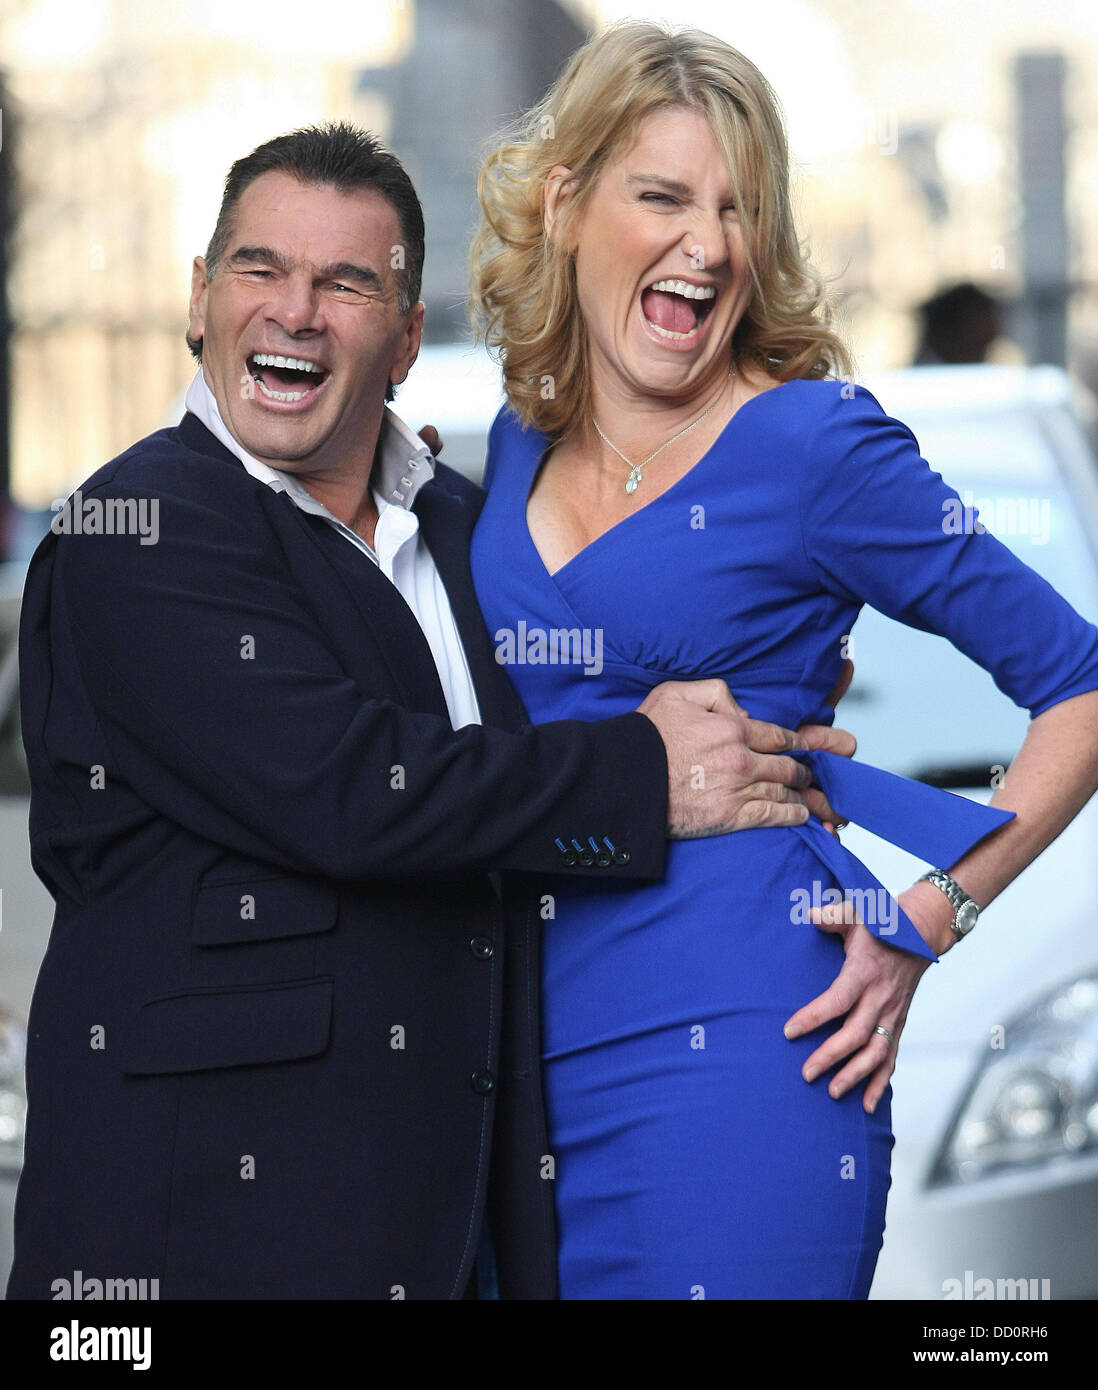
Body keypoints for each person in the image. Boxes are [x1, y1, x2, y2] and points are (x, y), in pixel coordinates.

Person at [5, 123, 855, 1301]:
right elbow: (351, 787)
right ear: (198, 299)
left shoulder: (464, 528)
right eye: (260, 269)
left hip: (462, 1232)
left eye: (348, 283)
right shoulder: (136, 530)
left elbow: (596, 684)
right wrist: (644, 775)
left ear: (405, 336)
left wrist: (771, 718)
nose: (296, 312)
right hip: (200, 1244)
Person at [469, 21, 1098, 1299]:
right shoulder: (516, 439)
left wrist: (931, 916)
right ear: (568, 201)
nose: (707, 244)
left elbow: (1080, 687)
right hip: (516, 1054)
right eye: (663, 196)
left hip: (755, 1039)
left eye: (739, 208)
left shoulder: (814, 444)